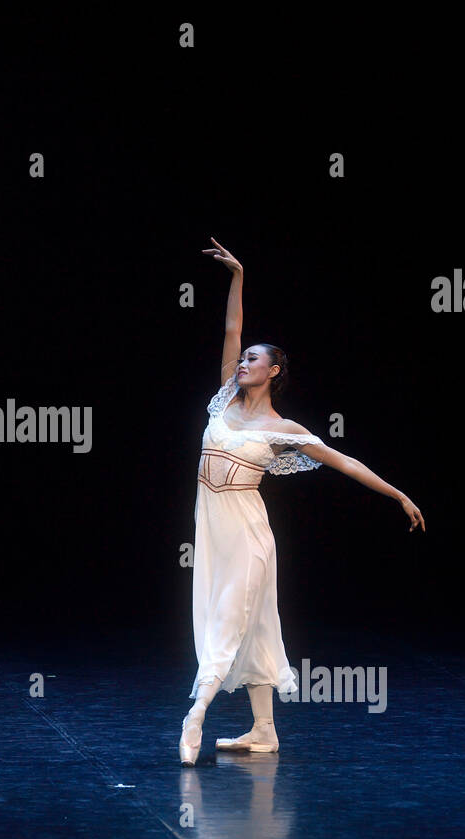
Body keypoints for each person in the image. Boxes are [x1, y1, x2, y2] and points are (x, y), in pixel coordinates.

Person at [180, 237, 425, 765]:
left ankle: (196, 710)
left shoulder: (283, 428)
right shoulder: (224, 396)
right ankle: (265, 732)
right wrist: (238, 275)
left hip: (247, 532)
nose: (242, 362)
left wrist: (397, 493)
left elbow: (345, 462)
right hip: (212, 529)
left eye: (252, 360)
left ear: (273, 371)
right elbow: (231, 329)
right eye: (242, 358)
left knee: (228, 618)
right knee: (256, 622)